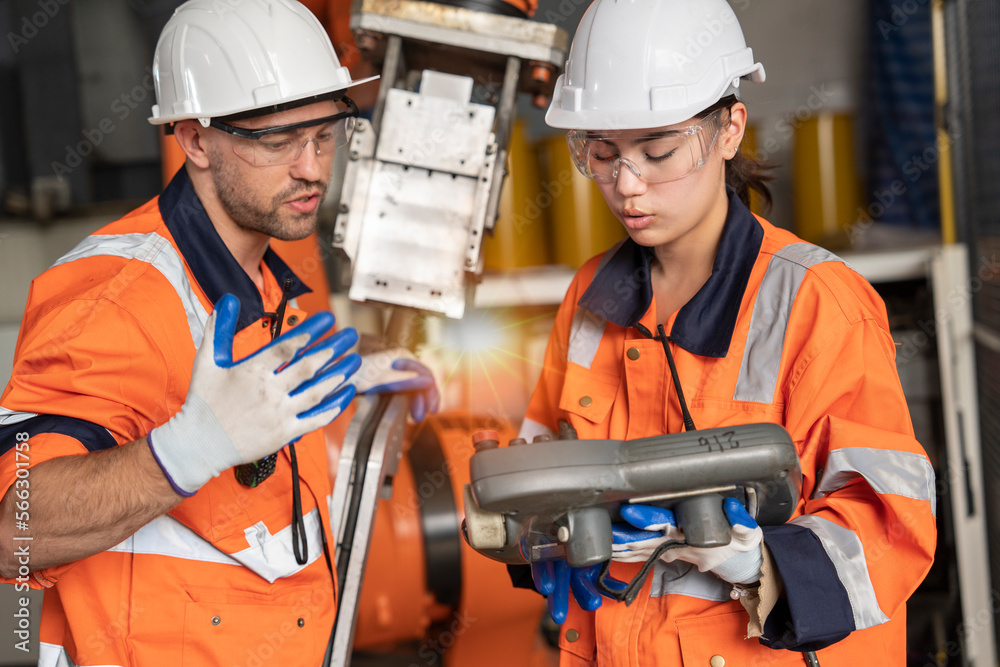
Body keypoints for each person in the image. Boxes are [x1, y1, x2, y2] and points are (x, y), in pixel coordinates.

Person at [0, 1, 437, 665]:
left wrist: (351, 367)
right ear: (196, 140)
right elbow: (15, 527)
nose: (313, 168)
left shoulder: (266, 280)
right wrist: (181, 452)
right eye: (279, 140)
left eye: (325, 135)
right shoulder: (111, 296)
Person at [515, 0, 937, 665]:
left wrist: (759, 560)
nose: (628, 185)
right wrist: (533, 534)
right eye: (602, 153)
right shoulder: (591, 299)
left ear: (730, 128)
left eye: (658, 152)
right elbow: (534, 466)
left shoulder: (816, 300)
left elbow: (892, 520)